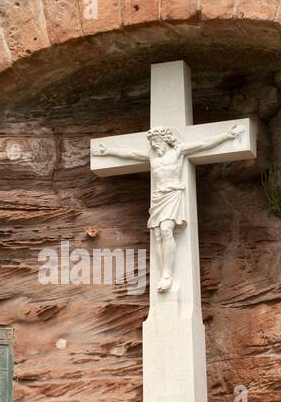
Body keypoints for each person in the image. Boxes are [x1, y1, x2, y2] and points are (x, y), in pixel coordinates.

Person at [92, 123, 243, 292]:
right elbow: (131, 154)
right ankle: (164, 271)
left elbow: (203, 144)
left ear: (164, 139)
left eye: (155, 140)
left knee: (166, 229)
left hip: (173, 193)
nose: (153, 145)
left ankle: (167, 274)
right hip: (158, 197)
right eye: (151, 142)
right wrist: (109, 151)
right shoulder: (152, 157)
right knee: (157, 234)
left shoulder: (177, 151)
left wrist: (226, 135)